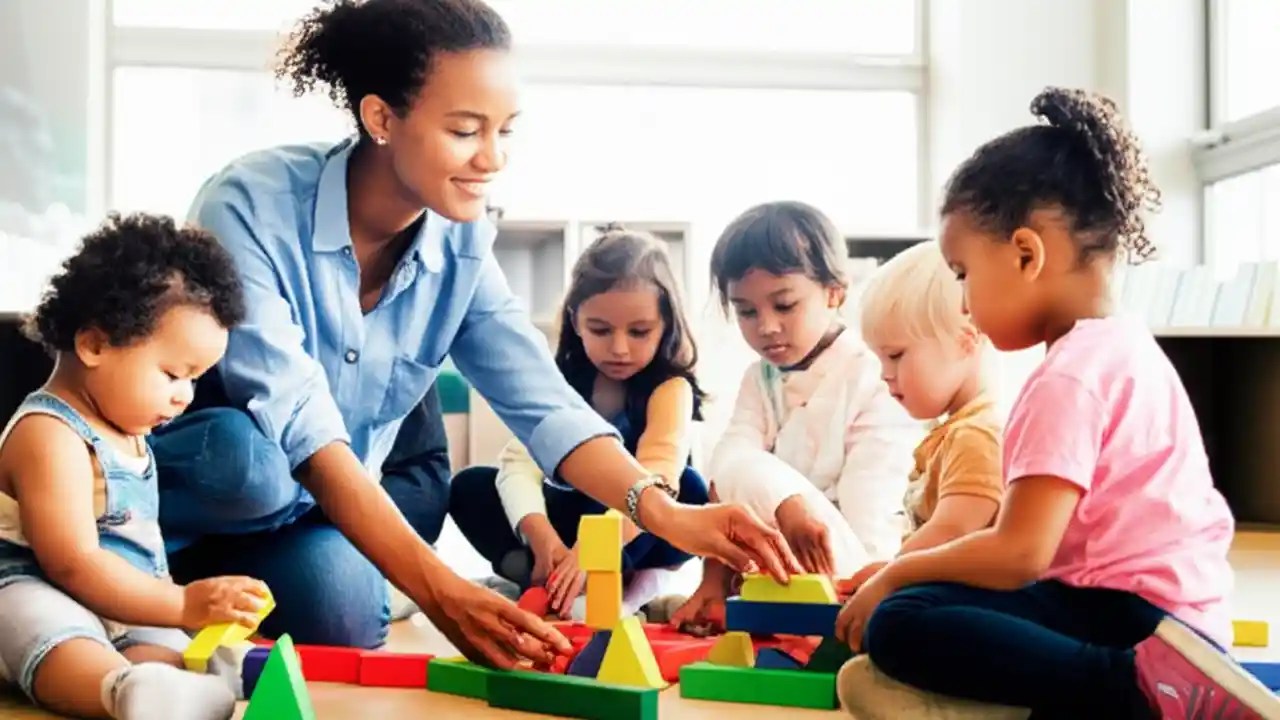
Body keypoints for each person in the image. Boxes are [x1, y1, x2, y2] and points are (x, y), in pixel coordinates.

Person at [152, 0, 797, 667]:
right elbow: (300, 424)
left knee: (345, 618)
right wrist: (442, 592)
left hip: (313, 512)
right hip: (229, 475)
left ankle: (224, 590)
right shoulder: (248, 205)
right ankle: (111, 541)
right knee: (248, 463)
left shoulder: (461, 245)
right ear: (381, 118)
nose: (492, 159)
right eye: (465, 130)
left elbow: (543, 402)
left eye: (505, 131)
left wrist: (667, 514)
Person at [835, 87, 1277, 720]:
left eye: (962, 275)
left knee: (904, 617)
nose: (963, 303)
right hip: (1172, 618)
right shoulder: (1125, 346)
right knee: (922, 617)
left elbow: (1020, 555)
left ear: (1025, 253)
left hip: (1132, 621)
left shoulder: (1069, 376)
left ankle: (1128, 694)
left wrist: (897, 575)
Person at [0, 213, 268, 720]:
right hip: (32, 588)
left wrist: (183, 618)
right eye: (172, 373)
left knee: (164, 651)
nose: (184, 397)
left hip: (119, 602)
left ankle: (158, 687)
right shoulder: (49, 433)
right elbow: (72, 562)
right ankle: (114, 691)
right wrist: (186, 604)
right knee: (54, 634)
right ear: (95, 345)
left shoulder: (129, 432)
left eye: (195, 379)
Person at [672, 201, 921, 630]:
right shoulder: (760, 378)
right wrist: (714, 581)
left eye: (784, 305)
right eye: (747, 311)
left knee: (740, 462)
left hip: (859, 569)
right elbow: (728, 471)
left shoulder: (871, 371)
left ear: (834, 292)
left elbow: (873, 519)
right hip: (782, 564)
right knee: (728, 461)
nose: (766, 326)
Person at [450, 225, 709, 620]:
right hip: (562, 528)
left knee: (687, 488)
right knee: (469, 486)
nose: (619, 348)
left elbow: (659, 477)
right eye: (600, 330)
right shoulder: (560, 381)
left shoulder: (670, 388)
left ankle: (629, 593)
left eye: (639, 332)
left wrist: (595, 550)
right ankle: (539, 577)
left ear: (666, 326)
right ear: (574, 321)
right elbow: (519, 465)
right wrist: (542, 537)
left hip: (629, 535)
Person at [841, 239, 1004, 592]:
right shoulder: (953, 430)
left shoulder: (978, 433)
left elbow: (953, 530)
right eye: (879, 359)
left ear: (965, 341)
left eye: (896, 356)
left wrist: (888, 577)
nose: (884, 373)